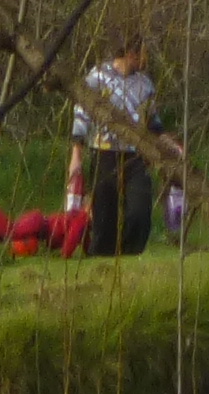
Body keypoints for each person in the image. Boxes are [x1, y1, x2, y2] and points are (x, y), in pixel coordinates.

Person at [66, 40, 157, 259]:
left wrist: (165, 144)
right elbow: (82, 113)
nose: (145, 59)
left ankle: (129, 255)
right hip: (105, 152)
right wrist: (76, 154)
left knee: (140, 211)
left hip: (136, 155)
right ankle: (101, 258)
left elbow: (154, 120)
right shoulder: (97, 77)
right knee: (105, 214)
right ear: (130, 52)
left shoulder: (145, 84)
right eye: (142, 53)